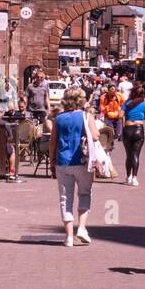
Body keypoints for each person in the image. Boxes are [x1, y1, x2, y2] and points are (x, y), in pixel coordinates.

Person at [52, 88, 97, 247]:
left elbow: (53, 142)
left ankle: (69, 237)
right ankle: (82, 228)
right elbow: (96, 136)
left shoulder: (59, 118)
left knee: (65, 199)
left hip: (63, 162)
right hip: (82, 161)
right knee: (84, 193)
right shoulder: (86, 116)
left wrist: (52, 161)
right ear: (81, 99)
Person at [121, 86, 145, 187]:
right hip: (139, 128)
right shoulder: (144, 103)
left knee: (128, 155)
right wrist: (141, 115)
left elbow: (120, 115)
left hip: (128, 128)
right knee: (136, 155)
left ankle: (128, 176)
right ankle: (134, 178)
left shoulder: (127, 103)